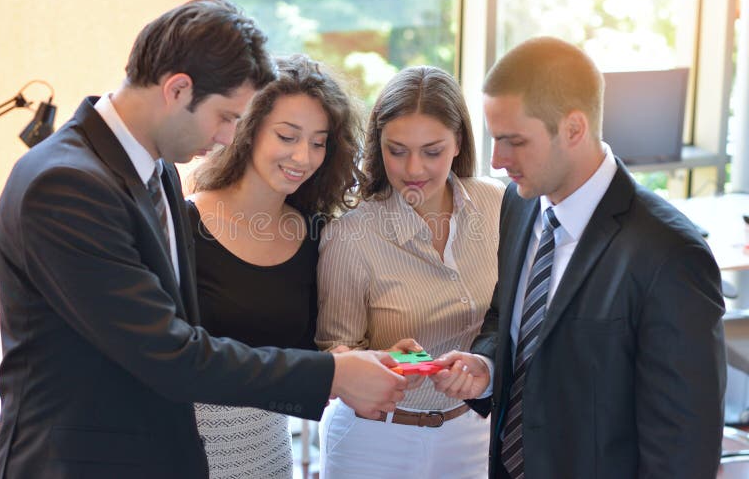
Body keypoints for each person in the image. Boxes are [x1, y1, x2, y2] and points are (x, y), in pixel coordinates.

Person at [0, 0, 406, 479]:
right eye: (226, 116)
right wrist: (334, 376)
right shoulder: (65, 184)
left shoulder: (159, 170)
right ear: (177, 89)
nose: (231, 137)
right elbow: (168, 352)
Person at [432, 36, 726, 479]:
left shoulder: (670, 255)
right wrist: (487, 366)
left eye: (513, 141)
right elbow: (504, 318)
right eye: (495, 139)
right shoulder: (519, 203)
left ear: (573, 128)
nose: (497, 160)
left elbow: (684, 446)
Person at [316, 66, 504, 478]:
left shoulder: (498, 205)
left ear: (458, 142)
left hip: (472, 434)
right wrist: (379, 361)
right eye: (396, 150)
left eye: (432, 150)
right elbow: (333, 351)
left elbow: (513, 319)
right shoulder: (351, 233)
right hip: (373, 441)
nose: (414, 169)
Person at [186, 54, 364, 478]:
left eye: (319, 142)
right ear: (247, 130)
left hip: (268, 457)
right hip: (185, 454)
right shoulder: (183, 223)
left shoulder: (315, 234)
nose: (303, 157)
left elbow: (307, 351)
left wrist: (368, 359)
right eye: (287, 136)